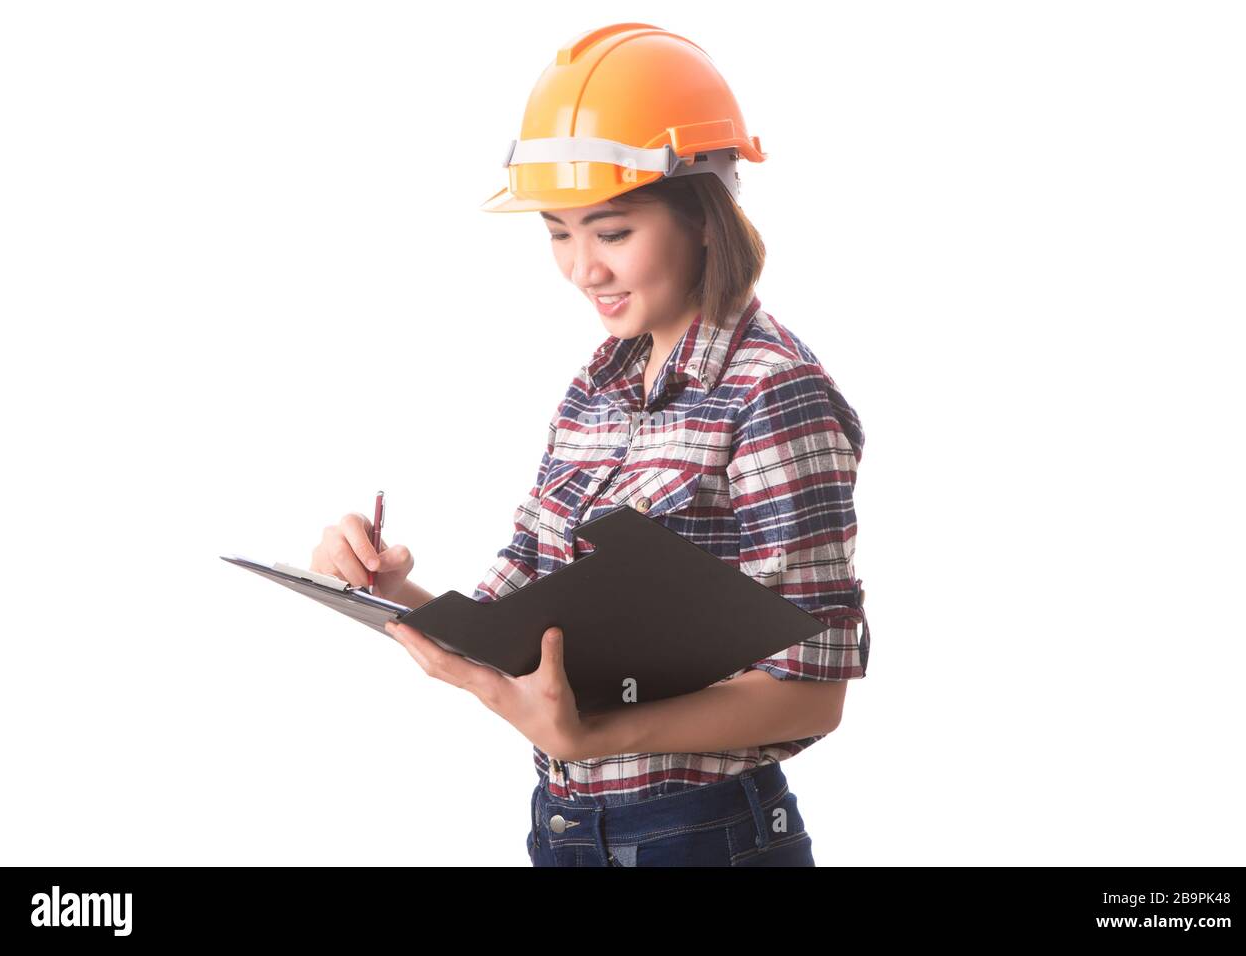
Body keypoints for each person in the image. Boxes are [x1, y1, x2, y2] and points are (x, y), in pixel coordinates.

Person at [309, 23, 869, 867]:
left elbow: (813, 694)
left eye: (611, 232)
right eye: (557, 233)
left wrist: (594, 734)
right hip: (566, 832)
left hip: (706, 838)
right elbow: (514, 624)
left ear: (706, 218)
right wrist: (391, 590)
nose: (582, 270)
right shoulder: (595, 390)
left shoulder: (772, 392)